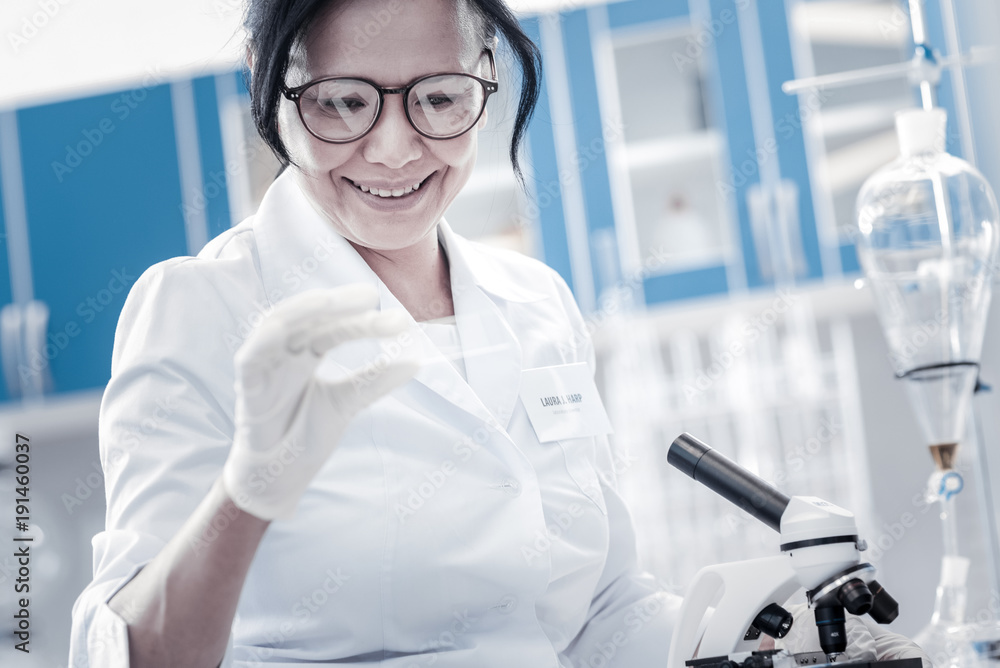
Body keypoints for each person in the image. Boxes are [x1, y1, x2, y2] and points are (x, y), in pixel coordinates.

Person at [69, 0, 932, 666]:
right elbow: (127, 654)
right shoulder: (200, 307)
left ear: (485, 76)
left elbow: (597, 611)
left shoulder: (536, 302)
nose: (398, 150)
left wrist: (747, 638)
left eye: (441, 98)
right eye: (342, 103)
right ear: (270, 79)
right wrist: (249, 491)